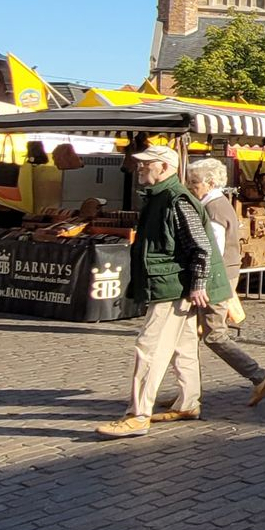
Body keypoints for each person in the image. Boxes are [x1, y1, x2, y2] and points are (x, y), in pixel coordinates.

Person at [96, 143, 236, 439]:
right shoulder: (162, 197)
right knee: (182, 346)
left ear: (164, 167)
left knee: (150, 348)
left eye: (146, 164)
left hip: (172, 285)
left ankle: (138, 414)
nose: (140, 168)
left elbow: (200, 247)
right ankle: (187, 402)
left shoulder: (176, 199)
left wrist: (198, 284)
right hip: (173, 283)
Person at [182, 157, 265, 407]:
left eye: (195, 182)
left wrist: (201, 283)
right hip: (221, 274)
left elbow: (212, 250)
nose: (191, 186)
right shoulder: (216, 204)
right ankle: (187, 393)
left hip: (217, 277)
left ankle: (259, 375)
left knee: (214, 334)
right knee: (188, 334)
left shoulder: (214, 208)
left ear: (211, 183)